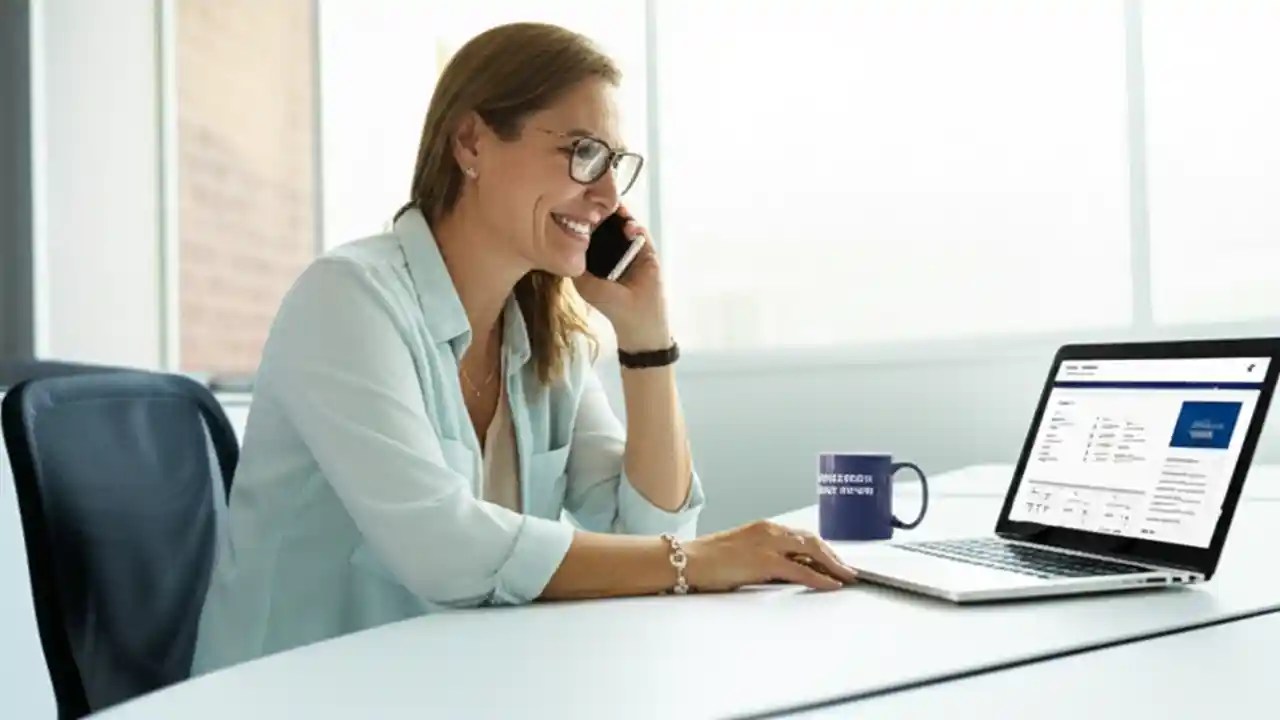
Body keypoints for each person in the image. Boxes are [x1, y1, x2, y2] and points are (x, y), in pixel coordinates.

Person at [191, 21, 856, 674]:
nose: (607, 196)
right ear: (471, 142)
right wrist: (699, 561)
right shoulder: (347, 300)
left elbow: (651, 537)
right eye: (584, 153)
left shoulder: (545, 335)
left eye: (615, 165)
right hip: (287, 695)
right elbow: (444, 548)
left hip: (445, 685)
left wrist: (647, 339)